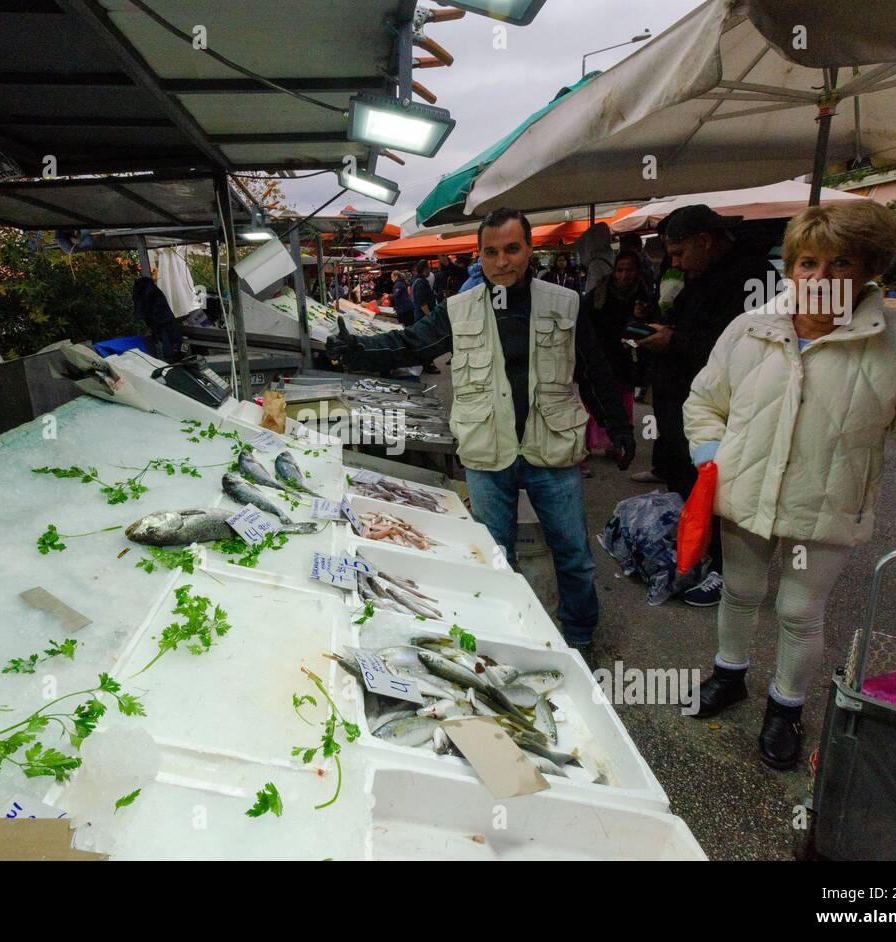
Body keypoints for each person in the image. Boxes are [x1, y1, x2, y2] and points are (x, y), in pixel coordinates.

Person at [683, 199, 896, 769]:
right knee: (739, 592)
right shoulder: (748, 328)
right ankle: (728, 676)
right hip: (744, 493)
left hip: (826, 502)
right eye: (808, 262)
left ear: (870, 269)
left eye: (841, 264)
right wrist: (711, 454)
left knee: (799, 611)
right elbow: (705, 402)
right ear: (790, 268)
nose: (820, 278)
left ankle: (786, 706)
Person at [328, 208, 637, 655]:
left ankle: (580, 637)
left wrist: (620, 425)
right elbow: (411, 342)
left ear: (530, 249)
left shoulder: (564, 304)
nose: (502, 261)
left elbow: (593, 370)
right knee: (494, 558)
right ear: (480, 256)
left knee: (573, 554)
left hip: (550, 450)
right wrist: (356, 350)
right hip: (487, 452)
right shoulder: (460, 308)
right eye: (491, 252)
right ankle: (507, 636)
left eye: (512, 249)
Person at [632, 204, 777, 606]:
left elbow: (746, 350)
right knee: (686, 478)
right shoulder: (698, 274)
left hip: (727, 408)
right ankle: (691, 551)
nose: (675, 263)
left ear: (704, 241)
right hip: (686, 398)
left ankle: (721, 569)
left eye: (679, 253)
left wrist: (674, 341)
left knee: (717, 486)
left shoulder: (755, 277)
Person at [584, 249, 653, 454]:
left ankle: (617, 442)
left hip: (626, 359)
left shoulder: (643, 294)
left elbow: (646, 329)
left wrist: (639, 318)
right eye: (620, 270)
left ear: (638, 271)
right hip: (601, 355)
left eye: (629, 270)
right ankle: (586, 447)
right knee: (595, 401)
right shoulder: (599, 293)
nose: (624, 275)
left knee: (623, 400)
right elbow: (587, 322)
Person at [132, 273, 181, 362]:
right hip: (167, 325)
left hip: (161, 327)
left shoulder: (145, 292)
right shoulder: (154, 292)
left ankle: (169, 359)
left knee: (166, 350)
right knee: (170, 347)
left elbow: (143, 313)